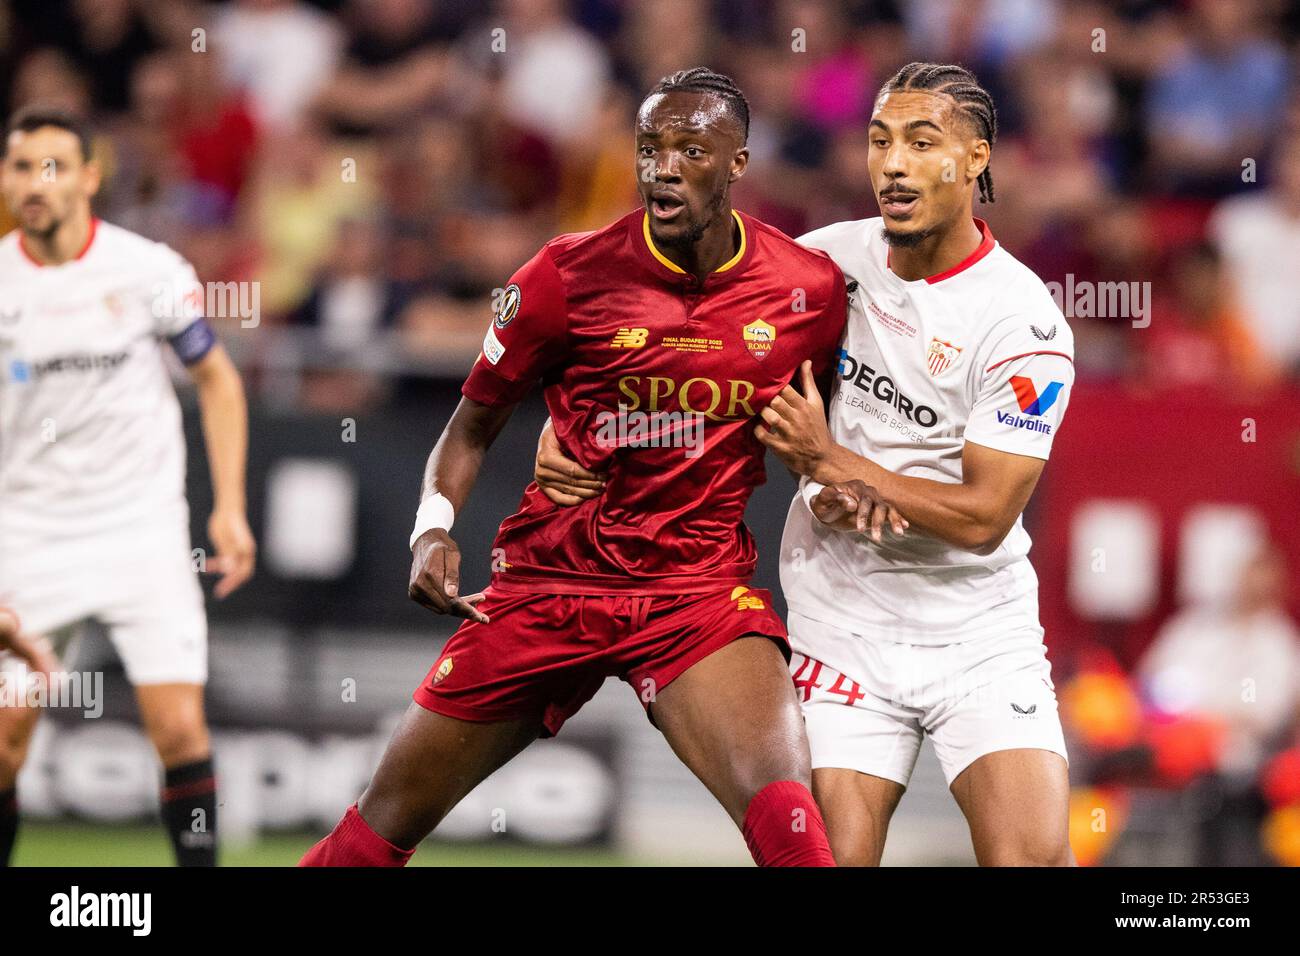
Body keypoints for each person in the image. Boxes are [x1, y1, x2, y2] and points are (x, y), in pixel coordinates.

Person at [301, 68, 866, 867]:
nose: (662, 168)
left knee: (797, 839)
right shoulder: (566, 275)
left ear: (737, 162)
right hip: (549, 585)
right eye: (648, 149)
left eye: (689, 150)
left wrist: (835, 477)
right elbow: (469, 429)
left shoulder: (805, 292)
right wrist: (433, 530)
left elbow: (828, 437)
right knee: (369, 840)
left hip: (693, 595)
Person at [538, 63, 1077, 866]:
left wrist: (835, 464)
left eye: (922, 142)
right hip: (843, 623)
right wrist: (588, 427)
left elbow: (984, 514)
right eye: (879, 139)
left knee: (1028, 859)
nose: (892, 163)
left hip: (977, 632)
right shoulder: (822, 266)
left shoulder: (1022, 322)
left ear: (975, 159)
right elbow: (689, 357)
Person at [0, 106, 255, 867]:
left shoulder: (148, 271)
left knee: (178, 728)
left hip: (139, 530)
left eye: (52, 165)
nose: (33, 183)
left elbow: (218, 381)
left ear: (89, 175)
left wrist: (231, 508)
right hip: (28, 532)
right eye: (19, 167)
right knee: (6, 743)